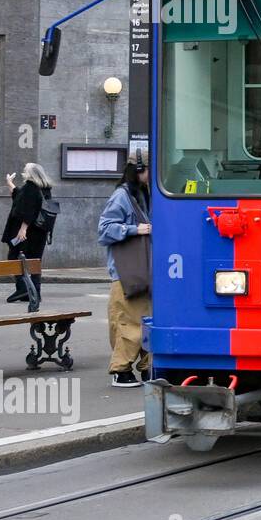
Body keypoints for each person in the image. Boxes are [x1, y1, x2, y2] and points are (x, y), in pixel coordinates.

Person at [98, 157, 152, 388]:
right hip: (128, 270)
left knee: (143, 319)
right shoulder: (122, 196)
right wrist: (134, 229)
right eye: (151, 169)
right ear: (138, 170)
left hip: (137, 269)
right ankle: (122, 369)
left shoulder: (142, 193)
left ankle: (144, 367)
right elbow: (104, 229)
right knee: (127, 321)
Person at [1, 163, 53, 304]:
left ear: (30, 174)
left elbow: (28, 209)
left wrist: (23, 229)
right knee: (35, 262)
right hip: (40, 232)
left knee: (15, 257)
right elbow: (19, 197)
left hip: (26, 232)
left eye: (25, 170)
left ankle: (23, 289)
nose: (23, 173)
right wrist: (9, 183)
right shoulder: (44, 188)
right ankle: (35, 292)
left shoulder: (30, 186)